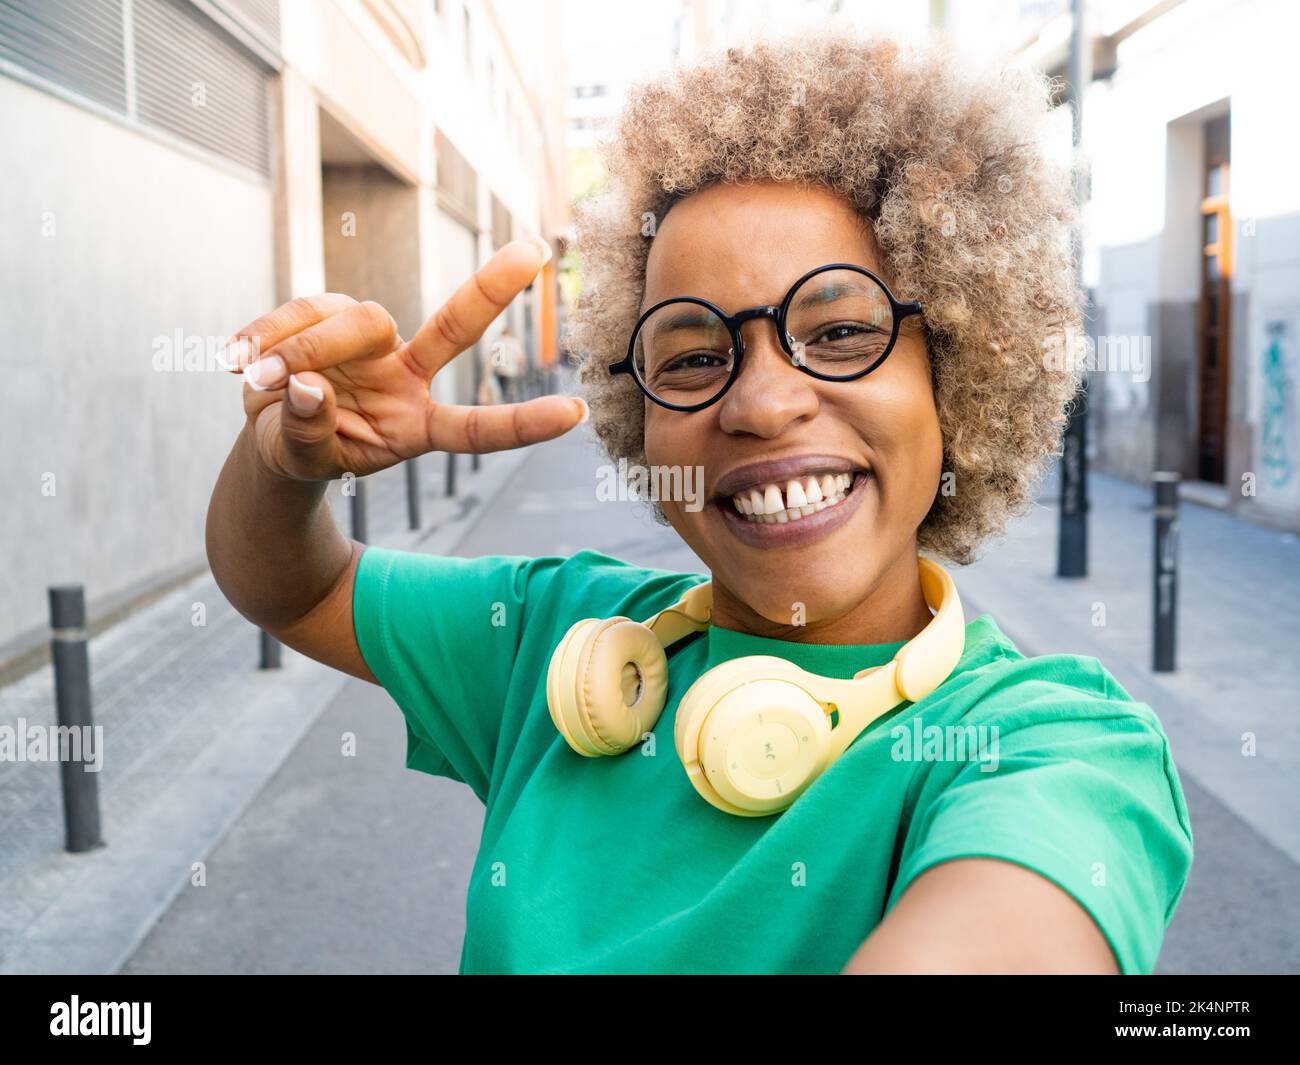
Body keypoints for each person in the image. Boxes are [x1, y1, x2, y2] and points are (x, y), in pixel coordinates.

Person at [205, 28, 1192, 975]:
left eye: (842, 332)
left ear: (959, 373)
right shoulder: (551, 642)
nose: (760, 404)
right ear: (641, 411)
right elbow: (290, 589)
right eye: (692, 354)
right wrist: (289, 461)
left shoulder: (1044, 746)